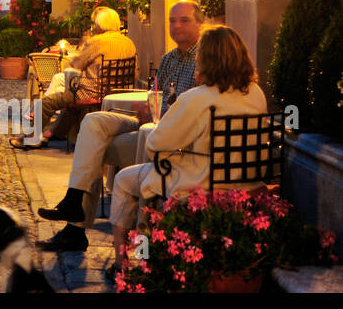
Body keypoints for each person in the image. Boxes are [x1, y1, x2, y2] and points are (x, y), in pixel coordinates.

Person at [35, 0, 204, 252]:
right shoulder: (168, 58)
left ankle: (75, 228)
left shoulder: (205, 58)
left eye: (184, 20)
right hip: (150, 120)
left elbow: (191, 109)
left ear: (200, 23)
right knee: (94, 122)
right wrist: (150, 107)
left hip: (168, 135)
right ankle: (73, 199)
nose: (176, 25)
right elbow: (154, 93)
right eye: (172, 20)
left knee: (92, 149)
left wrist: (157, 111)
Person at [106, 25, 268, 269]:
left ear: (204, 60)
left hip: (199, 183)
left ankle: (124, 263)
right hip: (246, 181)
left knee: (123, 180)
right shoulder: (256, 93)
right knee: (149, 178)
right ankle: (146, 252)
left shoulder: (197, 98)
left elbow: (155, 144)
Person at [10, 6, 136, 149]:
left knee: (46, 103)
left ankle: (33, 138)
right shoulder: (129, 43)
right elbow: (135, 71)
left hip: (92, 92)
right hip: (119, 92)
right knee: (70, 104)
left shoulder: (97, 42)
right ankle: (51, 133)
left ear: (100, 25)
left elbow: (74, 66)